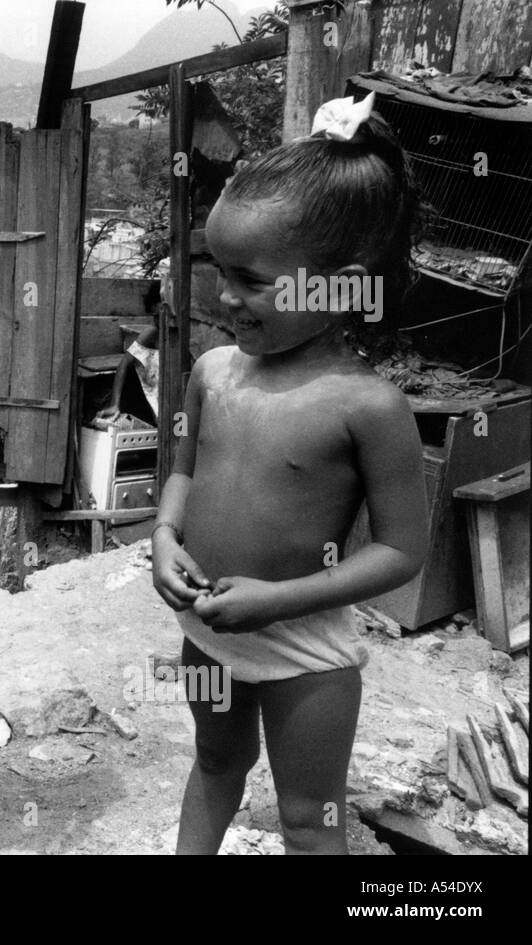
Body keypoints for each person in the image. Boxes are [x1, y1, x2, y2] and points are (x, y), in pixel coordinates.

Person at [150, 93, 429, 854]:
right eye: (218, 269)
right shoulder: (211, 371)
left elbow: (402, 551)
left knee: (310, 817)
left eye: (251, 279)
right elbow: (183, 471)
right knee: (213, 763)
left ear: (340, 284)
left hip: (305, 650)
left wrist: (279, 600)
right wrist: (164, 535)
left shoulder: (369, 407)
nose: (224, 296)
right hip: (207, 633)